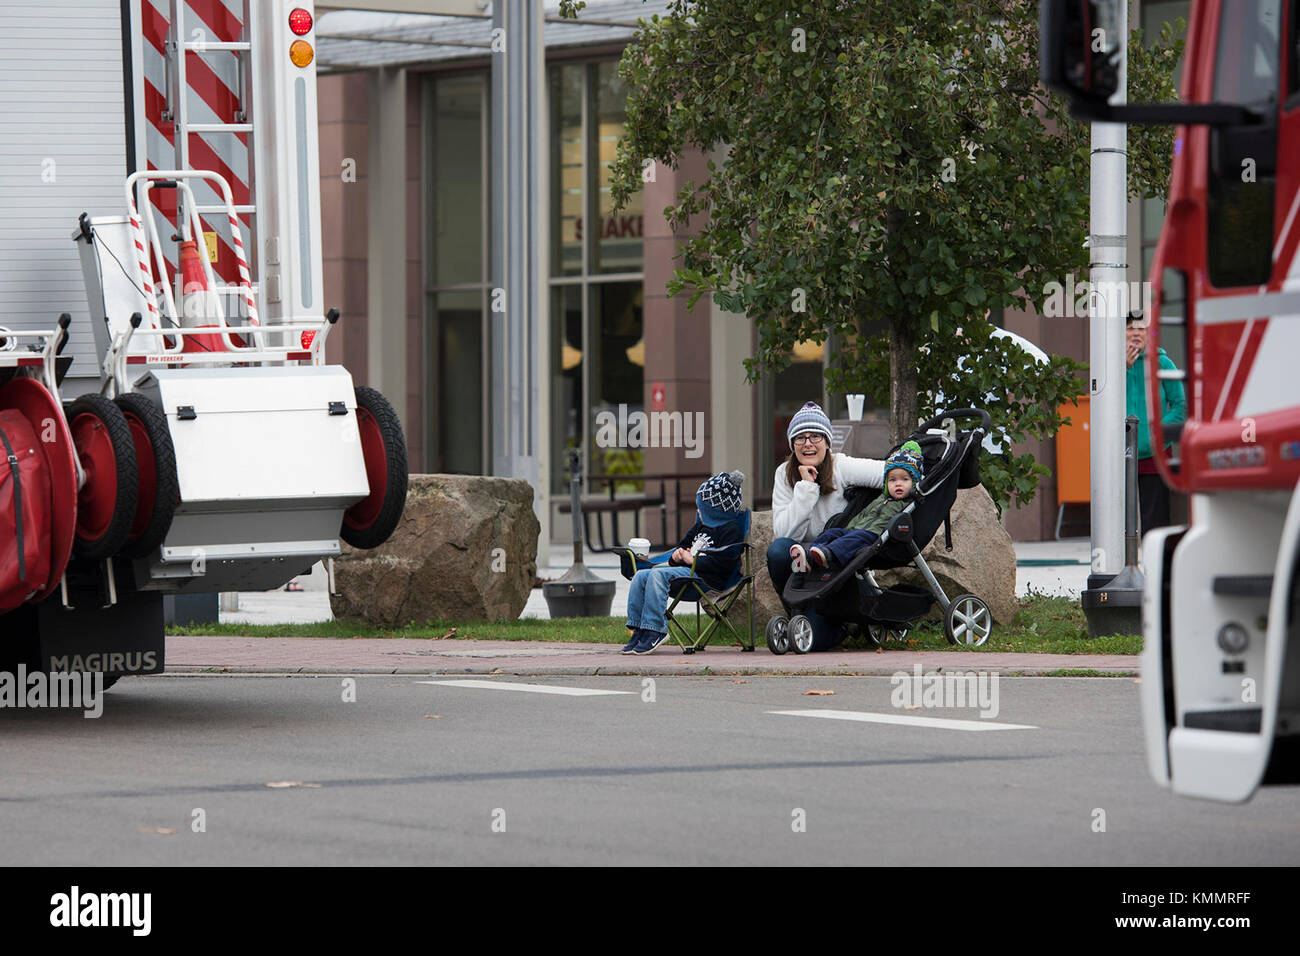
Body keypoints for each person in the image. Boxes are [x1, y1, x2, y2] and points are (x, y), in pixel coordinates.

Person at [768, 401, 889, 649]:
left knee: (815, 643)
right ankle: (797, 612)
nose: (808, 443)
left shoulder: (841, 466)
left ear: (826, 441)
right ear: (792, 444)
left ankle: (840, 623)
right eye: (800, 438)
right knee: (778, 550)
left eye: (815, 436)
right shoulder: (783, 474)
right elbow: (784, 533)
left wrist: (909, 472)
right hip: (800, 561)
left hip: (836, 563)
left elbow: (888, 472)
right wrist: (806, 488)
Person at [621, 470, 747, 655]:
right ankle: (639, 629)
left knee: (656, 575)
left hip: (707, 581)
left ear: (716, 509)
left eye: (702, 508)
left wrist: (692, 560)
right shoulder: (700, 526)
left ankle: (655, 629)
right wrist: (677, 556)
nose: (698, 511)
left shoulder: (731, 530)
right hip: (687, 575)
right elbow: (681, 547)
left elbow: (724, 564)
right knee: (641, 575)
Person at [792, 441, 923, 570]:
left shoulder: (907, 503)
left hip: (876, 535)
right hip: (855, 529)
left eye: (904, 479)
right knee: (832, 532)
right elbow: (864, 513)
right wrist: (851, 527)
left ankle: (829, 554)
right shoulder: (880, 499)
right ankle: (809, 554)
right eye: (893, 480)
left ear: (914, 482)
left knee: (854, 538)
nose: (898, 484)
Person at [1126, 310, 1186, 532]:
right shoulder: (1112, 366)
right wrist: (1122, 368)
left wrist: (1156, 435)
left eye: (1141, 329)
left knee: (1155, 523)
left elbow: (1180, 406)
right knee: (1118, 525)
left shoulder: (1162, 363)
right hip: (1119, 456)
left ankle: (1154, 567)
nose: (1136, 333)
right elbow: (1103, 402)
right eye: (1130, 328)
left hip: (1155, 455)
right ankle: (1121, 566)